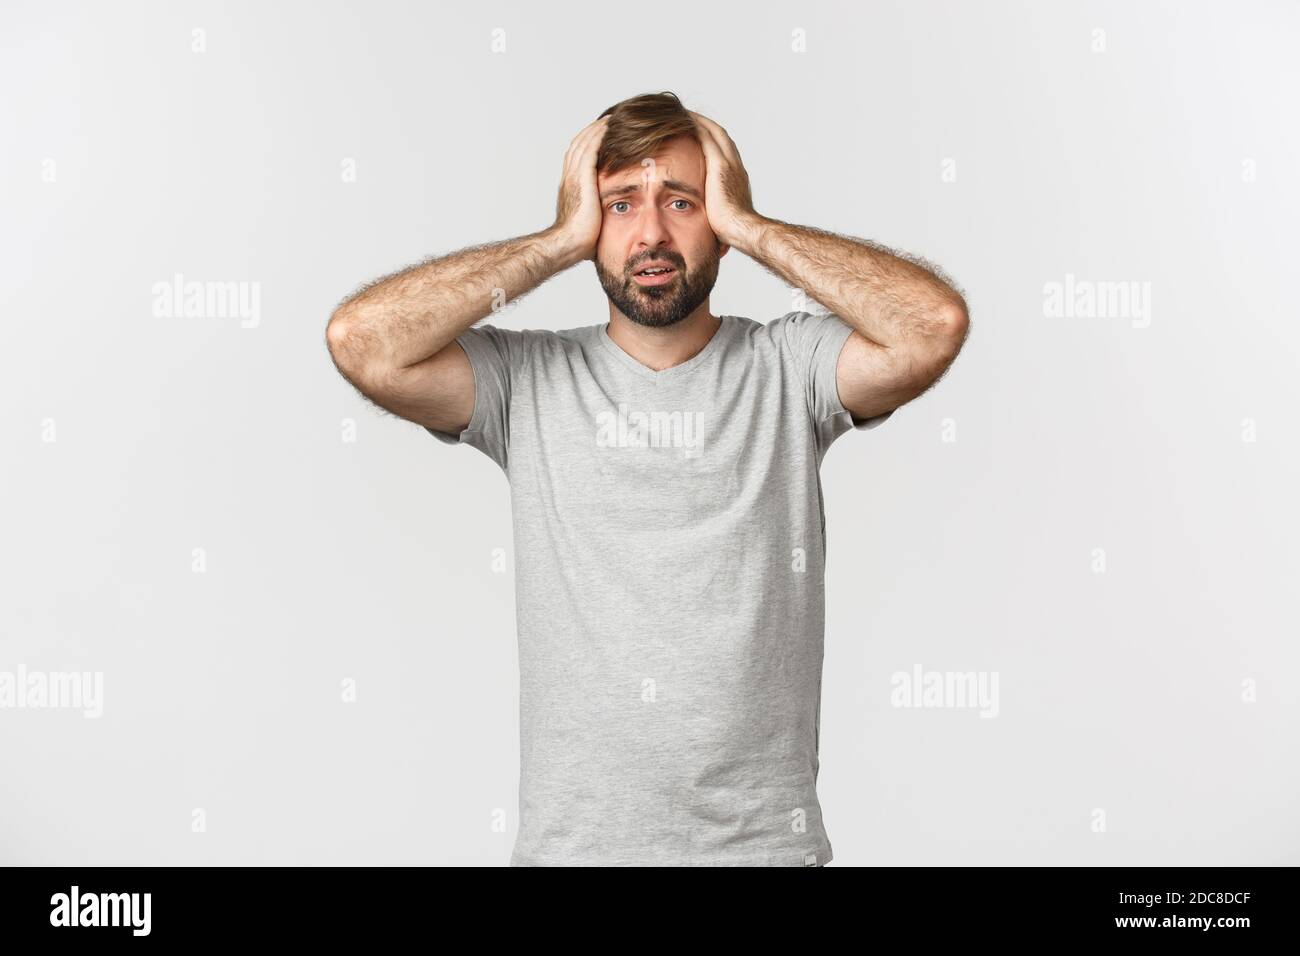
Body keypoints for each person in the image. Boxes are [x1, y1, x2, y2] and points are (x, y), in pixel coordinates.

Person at [325, 91, 969, 866]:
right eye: (620, 205)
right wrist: (558, 241)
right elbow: (360, 341)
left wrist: (755, 229)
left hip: (761, 850)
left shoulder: (789, 369)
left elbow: (932, 327)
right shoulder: (528, 382)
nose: (652, 233)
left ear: (720, 224)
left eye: (683, 203)